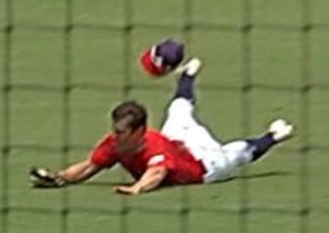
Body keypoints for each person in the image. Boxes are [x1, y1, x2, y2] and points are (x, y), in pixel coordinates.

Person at [28, 55, 295, 194]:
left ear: (139, 132)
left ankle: (273, 135)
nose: (115, 136)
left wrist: (136, 189)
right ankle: (188, 75)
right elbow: (89, 166)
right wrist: (61, 178)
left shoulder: (154, 147)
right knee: (178, 109)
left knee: (237, 153)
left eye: (121, 132)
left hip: (206, 164)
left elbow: (155, 175)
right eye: (116, 130)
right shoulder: (115, 143)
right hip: (178, 140)